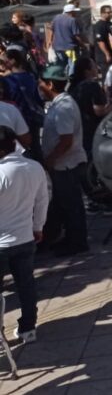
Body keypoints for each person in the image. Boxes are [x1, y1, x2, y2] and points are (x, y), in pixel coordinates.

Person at [0, 125, 50, 343]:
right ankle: (28, 328)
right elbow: (42, 200)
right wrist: (38, 226)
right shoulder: (34, 167)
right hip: (25, 237)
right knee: (26, 285)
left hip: (1, 243)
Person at [38, 64, 90, 256]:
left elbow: (66, 140)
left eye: (42, 83)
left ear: (50, 84)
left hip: (67, 164)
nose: (39, 87)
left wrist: (50, 160)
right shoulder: (60, 104)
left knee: (72, 205)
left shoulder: (64, 107)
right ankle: (67, 238)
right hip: (62, 164)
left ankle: (77, 242)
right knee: (64, 204)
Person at [68, 57, 110, 168]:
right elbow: (99, 111)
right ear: (87, 70)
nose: (97, 68)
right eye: (94, 66)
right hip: (92, 130)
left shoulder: (73, 87)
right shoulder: (92, 86)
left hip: (77, 128)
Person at [92, 5, 112, 71]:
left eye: (111, 12)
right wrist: (107, 54)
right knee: (106, 75)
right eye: (108, 12)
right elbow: (100, 41)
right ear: (102, 14)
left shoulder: (110, 24)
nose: (111, 14)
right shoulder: (99, 25)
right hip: (103, 56)